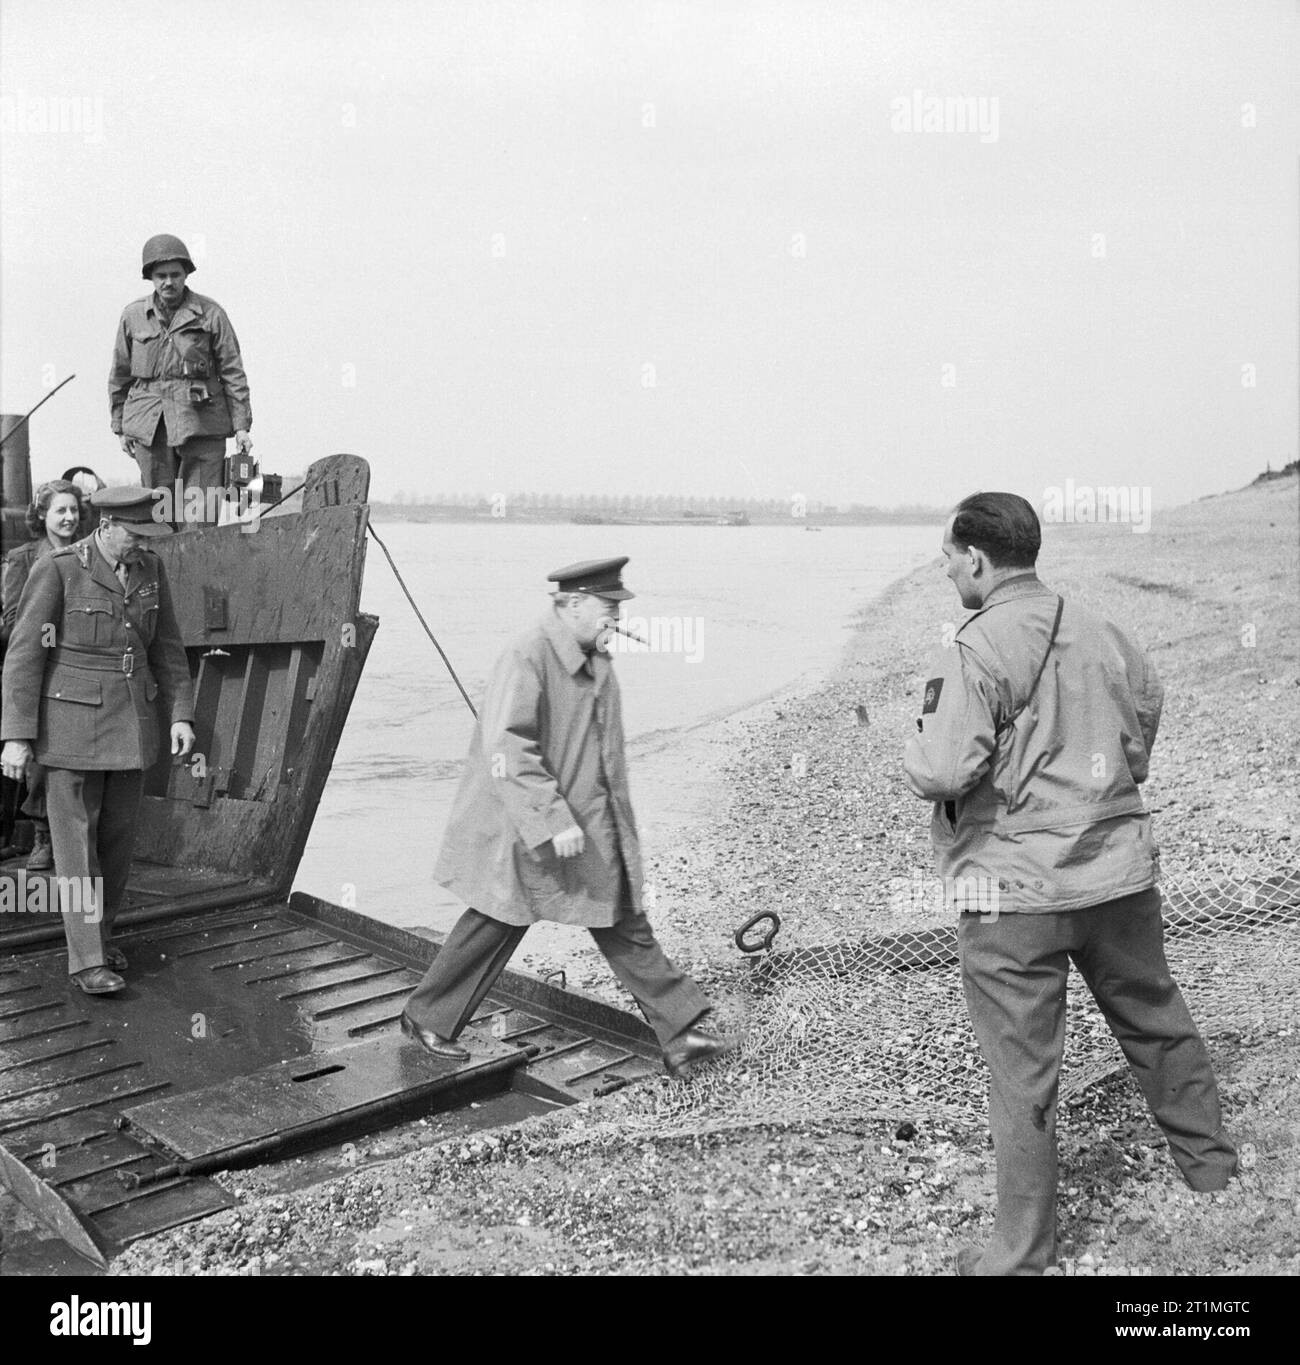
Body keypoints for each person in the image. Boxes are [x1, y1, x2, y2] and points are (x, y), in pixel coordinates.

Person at [902, 491, 1236, 1276]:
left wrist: (911, 752)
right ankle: (1212, 1168)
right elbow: (1144, 718)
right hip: (1117, 877)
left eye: (948, 555)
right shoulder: (1102, 627)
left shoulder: (975, 645)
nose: (945, 567)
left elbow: (944, 768)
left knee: (1022, 1073)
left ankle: (1021, 1256)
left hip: (1013, 895)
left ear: (976, 560)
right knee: (1156, 1018)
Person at [401, 556, 732, 1077]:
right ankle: (426, 1018)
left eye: (618, 609)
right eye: (609, 607)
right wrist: (553, 818)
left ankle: (682, 1031)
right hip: (525, 823)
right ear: (572, 604)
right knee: (499, 917)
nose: (617, 619)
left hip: (587, 823)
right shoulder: (527, 654)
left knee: (619, 914)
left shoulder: (593, 656)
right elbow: (507, 747)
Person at [0, 487, 196, 994]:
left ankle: (101, 938)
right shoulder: (61, 569)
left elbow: (168, 647)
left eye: (145, 536)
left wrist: (180, 715)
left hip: (132, 725)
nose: (139, 544)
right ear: (106, 524)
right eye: (133, 534)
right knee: (75, 849)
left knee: (116, 845)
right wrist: (17, 737)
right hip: (71, 729)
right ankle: (87, 959)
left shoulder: (150, 568)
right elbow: (24, 656)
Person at [108, 234, 253, 527]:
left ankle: (198, 571)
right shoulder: (133, 316)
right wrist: (120, 427)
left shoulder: (211, 314)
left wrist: (241, 427)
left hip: (201, 423)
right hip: (151, 425)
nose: (168, 283)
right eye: (161, 276)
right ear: (150, 277)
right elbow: (120, 375)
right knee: (157, 512)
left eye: (175, 274)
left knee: (199, 515)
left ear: (186, 274)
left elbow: (232, 372)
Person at [1, 479, 87, 870]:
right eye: (60, 511)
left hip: (81, 667)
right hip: (41, 667)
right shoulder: (23, 558)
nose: (69, 518)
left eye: (73, 510)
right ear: (42, 516)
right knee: (40, 755)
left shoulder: (87, 555)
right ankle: (42, 834)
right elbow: (11, 623)